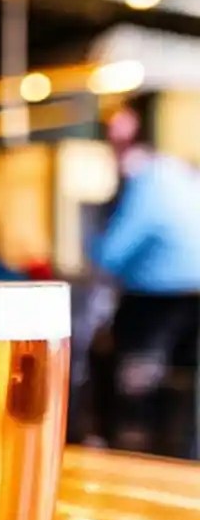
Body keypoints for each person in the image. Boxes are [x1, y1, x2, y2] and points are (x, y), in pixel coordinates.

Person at [96, 94, 200, 458]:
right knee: (185, 391)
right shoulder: (185, 173)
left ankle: (132, 453)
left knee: (128, 381)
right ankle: (182, 454)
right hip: (193, 300)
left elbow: (110, 254)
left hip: (157, 302)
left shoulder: (148, 177)